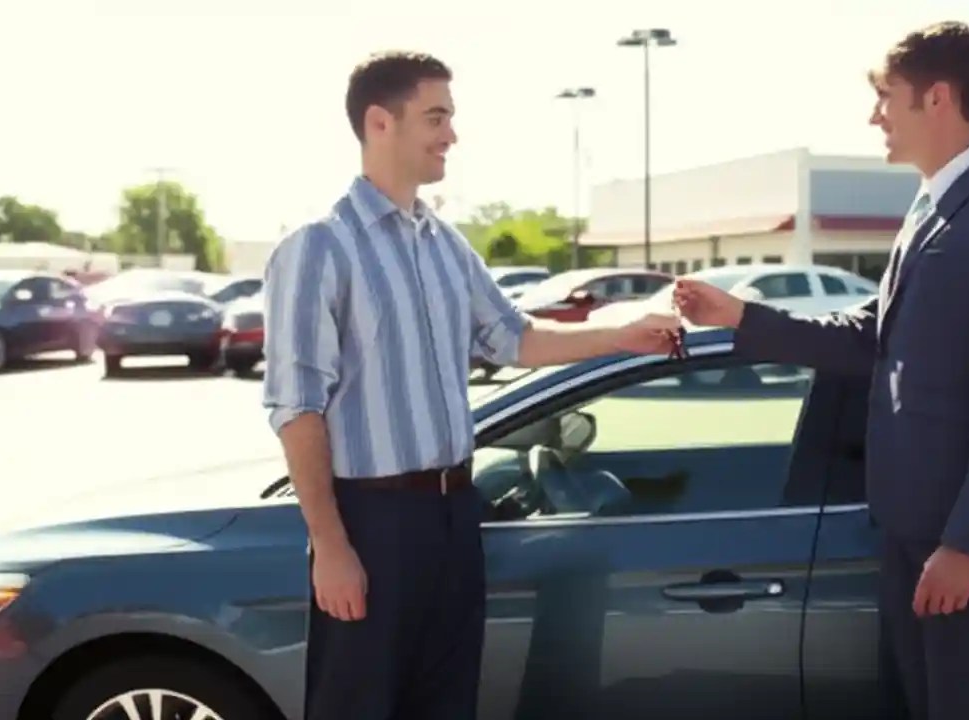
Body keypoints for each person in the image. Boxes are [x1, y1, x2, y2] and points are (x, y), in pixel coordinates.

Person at [674, 21, 969, 720]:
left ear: (938, 97)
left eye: (886, 96)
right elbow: (872, 340)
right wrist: (739, 316)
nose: (875, 116)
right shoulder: (931, 208)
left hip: (962, 546)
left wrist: (967, 542)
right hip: (908, 530)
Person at [261, 50, 681, 720]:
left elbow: (515, 338)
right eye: (436, 117)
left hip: (456, 516)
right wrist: (332, 546)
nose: (451, 134)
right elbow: (296, 408)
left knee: (447, 703)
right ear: (379, 122)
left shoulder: (446, 244)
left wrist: (622, 334)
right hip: (372, 524)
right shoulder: (319, 248)